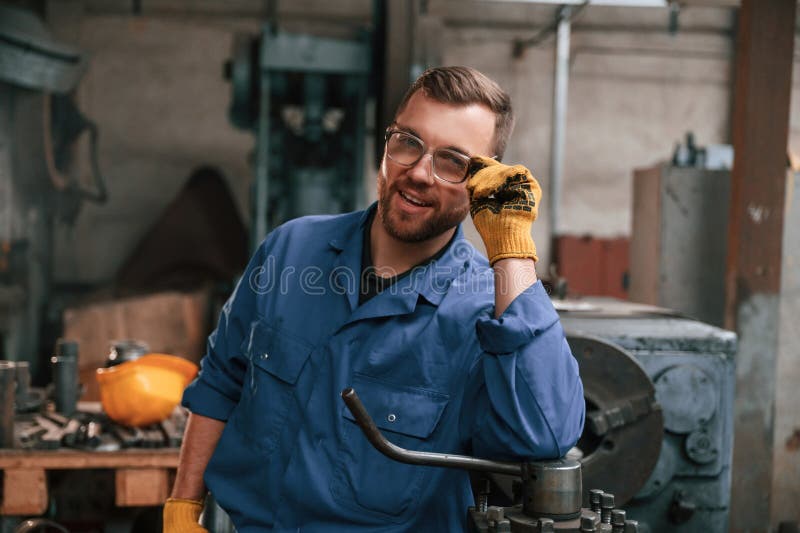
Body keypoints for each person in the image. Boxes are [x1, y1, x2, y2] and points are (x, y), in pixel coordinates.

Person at [163, 66, 585, 532]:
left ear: (484, 182)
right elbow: (222, 381)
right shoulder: (290, 251)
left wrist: (511, 250)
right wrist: (183, 505)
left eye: (452, 162)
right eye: (408, 142)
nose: (420, 173)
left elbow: (546, 435)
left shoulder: (486, 311)